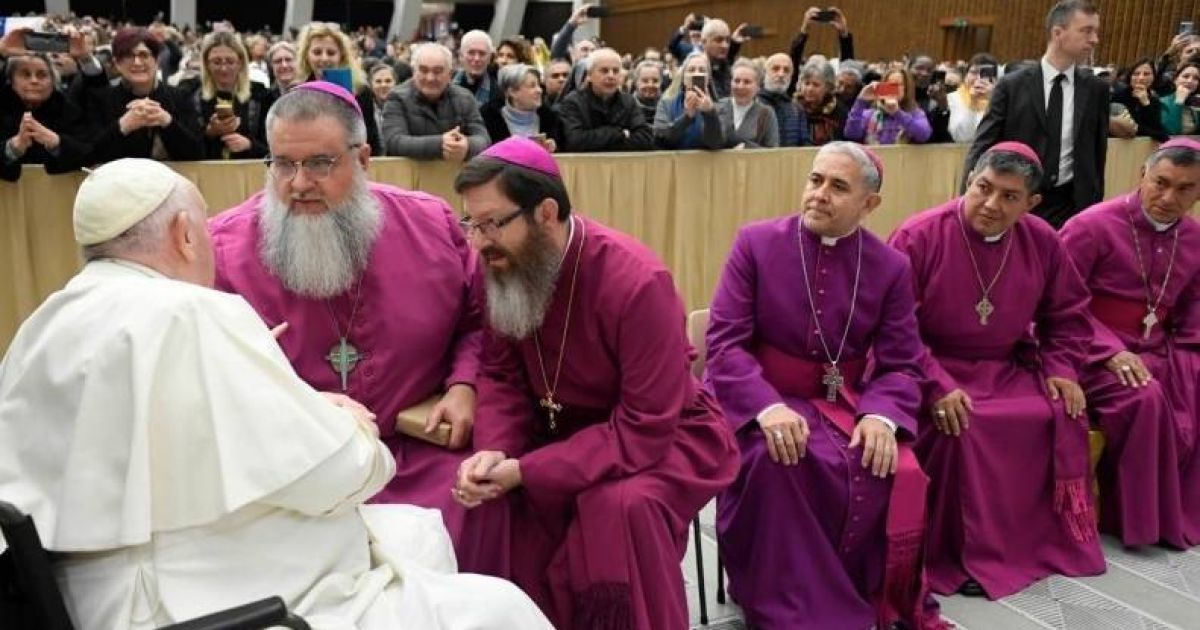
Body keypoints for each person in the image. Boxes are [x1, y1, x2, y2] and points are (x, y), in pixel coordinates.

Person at [0, 157, 554, 630]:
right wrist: (349, 420)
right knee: (500, 609)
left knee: (414, 531)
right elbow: (335, 475)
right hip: (195, 602)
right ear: (185, 236)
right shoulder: (193, 313)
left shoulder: (44, 323)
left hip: (95, 597)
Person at [208, 82, 504, 575]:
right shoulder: (224, 249)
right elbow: (203, 369)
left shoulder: (429, 225)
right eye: (282, 163)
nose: (298, 183)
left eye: (320, 164)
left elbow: (479, 319)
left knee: (485, 502)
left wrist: (465, 383)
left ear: (364, 159)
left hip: (418, 453)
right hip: (293, 469)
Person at [451, 137, 739, 630]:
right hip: (554, 433)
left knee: (618, 508)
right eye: (470, 224)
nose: (477, 242)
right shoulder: (499, 265)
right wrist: (496, 450)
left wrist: (532, 470)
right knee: (485, 504)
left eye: (491, 223)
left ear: (545, 212)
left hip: (663, 436)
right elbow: (500, 373)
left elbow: (646, 425)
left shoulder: (636, 280)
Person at [706, 141, 946, 630]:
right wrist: (764, 408)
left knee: (884, 459)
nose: (819, 194)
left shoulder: (890, 267)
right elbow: (725, 343)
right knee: (780, 459)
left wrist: (881, 416)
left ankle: (860, 589)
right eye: (815, 180)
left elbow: (903, 362)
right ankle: (785, 603)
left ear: (869, 204)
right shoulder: (756, 243)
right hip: (764, 396)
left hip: (849, 402)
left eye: (838, 187)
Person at [888, 142, 1106, 599]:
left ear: (1032, 204)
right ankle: (958, 553)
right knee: (965, 424)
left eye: (1009, 196)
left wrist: (1063, 368)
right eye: (983, 188)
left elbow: (1068, 315)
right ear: (969, 181)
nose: (991, 205)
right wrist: (936, 385)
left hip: (1003, 366)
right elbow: (895, 328)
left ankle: (1028, 544)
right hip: (929, 366)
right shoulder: (920, 235)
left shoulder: (1043, 240)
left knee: (1056, 413)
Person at [1061, 138, 1200, 548]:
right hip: (1089, 348)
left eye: (1185, 189)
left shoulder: (1194, 237)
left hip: (1160, 347)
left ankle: (1181, 510)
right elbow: (1060, 302)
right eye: (1161, 182)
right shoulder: (1091, 226)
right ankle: (1137, 521)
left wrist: (1189, 349)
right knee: (1143, 396)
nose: (1168, 197)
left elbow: (1194, 304)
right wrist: (1109, 351)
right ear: (1142, 175)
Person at [963, 0, 1109, 228]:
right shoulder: (1012, 86)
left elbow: (1098, 153)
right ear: (1058, 33)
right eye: (1086, 31)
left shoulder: (1096, 89)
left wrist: (1094, 206)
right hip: (1016, 201)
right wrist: (965, 200)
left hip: (1072, 206)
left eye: (1096, 31)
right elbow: (983, 146)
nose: (1094, 40)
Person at [76, 27, 204, 163]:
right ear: (117, 63)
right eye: (128, 56)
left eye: (144, 55)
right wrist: (123, 125)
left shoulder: (180, 97)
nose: (137, 62)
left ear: (156, 60)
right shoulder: (100, 99)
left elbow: (197, 153)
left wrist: (167, 121)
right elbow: (90, 154)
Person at [381, 43, 489, 161]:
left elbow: (483, 139)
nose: (430, 78)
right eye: (423, 70)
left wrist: (467, 146)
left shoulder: (465, 98)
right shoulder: (397, 97)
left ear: (449, 74)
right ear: (414, 72)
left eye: (437, 71)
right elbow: (394, 141)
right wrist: (441, 144)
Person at [1, 52, 92, 182]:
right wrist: (13, 147)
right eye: (25, 74)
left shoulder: (67, 109)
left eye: (41, 75)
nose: (34, 80)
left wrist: (56, 143)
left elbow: (89, 152)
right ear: (12, 81)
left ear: (53, 81)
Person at [295, 22, 382, 155]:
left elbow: (372, 140)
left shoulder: (360, 91)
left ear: (341, 55)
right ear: (307, 55)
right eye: (317, 52)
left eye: (331, 53)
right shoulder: (298, 92)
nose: (324, 58)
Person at [557, 48, 655, 152]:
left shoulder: (628, 101)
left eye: (616, 71)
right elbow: (576, 141)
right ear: (589, 75)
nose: (611, 76)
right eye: (604, 71)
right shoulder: (573, 102)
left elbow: (645, 139)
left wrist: (602, 142)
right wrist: (620, 133)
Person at [194, 31, 268, 160]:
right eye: (217, 62)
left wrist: (250, 145)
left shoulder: (260, 94)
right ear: (206, 64)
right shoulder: (192, 93)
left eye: (230, 61)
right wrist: (210, 132)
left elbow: (273, 146)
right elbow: (185, 146)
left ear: (240, 62)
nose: (224, 68)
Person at [653, 51, 724, 151]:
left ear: (708, 78)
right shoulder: (666, 103)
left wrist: (710, 113)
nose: (697, 73)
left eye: (702, 70)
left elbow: (716, 144)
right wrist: (687, 118)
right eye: (691, 70)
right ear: (683, 77)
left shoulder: (720, 105)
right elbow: (660, 140)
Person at [479, 63, 559, 152]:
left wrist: (555, 147)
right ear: (512, 92)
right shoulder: (489, 118)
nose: (539, 90)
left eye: (539, 85)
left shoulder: (549, 117)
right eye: (532, 86)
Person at [844, 68, 932, 145]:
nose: (893, 89)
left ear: (906, 89)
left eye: (898, 85)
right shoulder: (870, 114)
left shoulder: (915, 114)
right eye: (889, 85)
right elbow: (851, 133)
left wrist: (897, 113)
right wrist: (861, 101)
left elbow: (924, 135)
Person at [718, 58, 780, 148]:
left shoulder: (766, 114)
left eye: (747, 82)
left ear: (758, 87)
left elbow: (772, 153)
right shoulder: (716, 108)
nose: (740, 86)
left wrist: (749, 148)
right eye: (737, 81)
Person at [1111, 58, 1169, 141]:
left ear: (1153, 77)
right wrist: (1157, 134)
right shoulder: (1119, 97)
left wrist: (1146, 103)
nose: (1141, 78)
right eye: (1136, 74)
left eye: (1146, 74)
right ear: (1130, 77)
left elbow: (1157, 127)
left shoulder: (1154, 100)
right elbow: (1133, 128)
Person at [760, 52, 809, 147]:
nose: (781, 74)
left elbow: (805, 144)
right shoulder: (752, 105)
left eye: (786, 70)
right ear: (765, 72)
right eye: (775, 69)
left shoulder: (797, 109)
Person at [796, 57, 848, 145]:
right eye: (806, 83)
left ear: (828, 87)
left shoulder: (839, 110)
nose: (809, 89)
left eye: (815, 85)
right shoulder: (794, 108)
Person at [948, 54, 998, 143]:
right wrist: (973, 102)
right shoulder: (952, 98)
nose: (979, 78)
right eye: (974, 72)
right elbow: (962, 138)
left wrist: (994, 100)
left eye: (985, 73)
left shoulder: (998, 100)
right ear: (966, 75)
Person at [908, 54, 952, 143]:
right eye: (919, 68)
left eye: (929, 70)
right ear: (908, 69)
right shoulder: (899, 95)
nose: (924, 73)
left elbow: (942, 136)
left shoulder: (937, 98)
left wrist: (943, 106)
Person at [454, 30, 498, 107]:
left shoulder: (498, 94)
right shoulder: (444, 86)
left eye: (482, 53)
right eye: (471, 52)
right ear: (461, 56)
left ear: (490, 58)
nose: (477, 58)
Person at [1160, 62, 1199, 135]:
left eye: (1196, 78)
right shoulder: (1162, 102)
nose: (1190, 81)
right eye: (1186, 76)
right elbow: (1171, 131)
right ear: (1175, 80)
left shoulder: (1196, 102)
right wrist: (1179, 101)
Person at [368, 62, 397, 148]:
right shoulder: (366, 110)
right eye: (378, 81)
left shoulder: (404, 107)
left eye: (388, 81)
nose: (383, 85)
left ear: (396, 83)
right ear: (371, 85)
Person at [630, 59, 664, 123]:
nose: (650, 85)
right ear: (636, 82)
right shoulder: (627, 108)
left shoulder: (669, 108)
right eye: (645, 81)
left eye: (655, 81)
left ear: (661, 82)